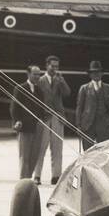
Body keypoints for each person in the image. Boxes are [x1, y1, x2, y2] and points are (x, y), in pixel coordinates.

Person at [38, 55, 72, 184]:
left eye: (57, 67)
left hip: (58, 117)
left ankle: (56, 175)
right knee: (41, 147)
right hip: (44, 117)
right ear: (47, 66)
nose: (55, 69)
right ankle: (37, 175)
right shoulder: (40, 80)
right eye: (52, 66)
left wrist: (62, 81)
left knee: (57, 147)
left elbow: (67, 93)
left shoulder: (59, 80)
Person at [11, 65, 48, 181]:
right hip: (25, 127)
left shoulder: (39, 91)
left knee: (35, 155)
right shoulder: (20, 88)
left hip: (37, 127)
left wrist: (42, 120)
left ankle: (28, 177)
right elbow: (14, 108)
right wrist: (17, 121)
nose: (37, 76)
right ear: (28, 74)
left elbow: (42, 108)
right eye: (35, 74)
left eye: (39, 74)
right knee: (24, 155)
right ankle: (23, 179)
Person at [75, 61, 109, 144]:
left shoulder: (108, 88)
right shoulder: (84, 88)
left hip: (104, 125)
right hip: (87, 125)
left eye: (98, 72)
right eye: (94, 72)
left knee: (104, 150)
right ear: (90, 74)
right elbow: (79, 107)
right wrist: (78, 125)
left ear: (102, 73)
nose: (96, 74)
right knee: (88, 151)